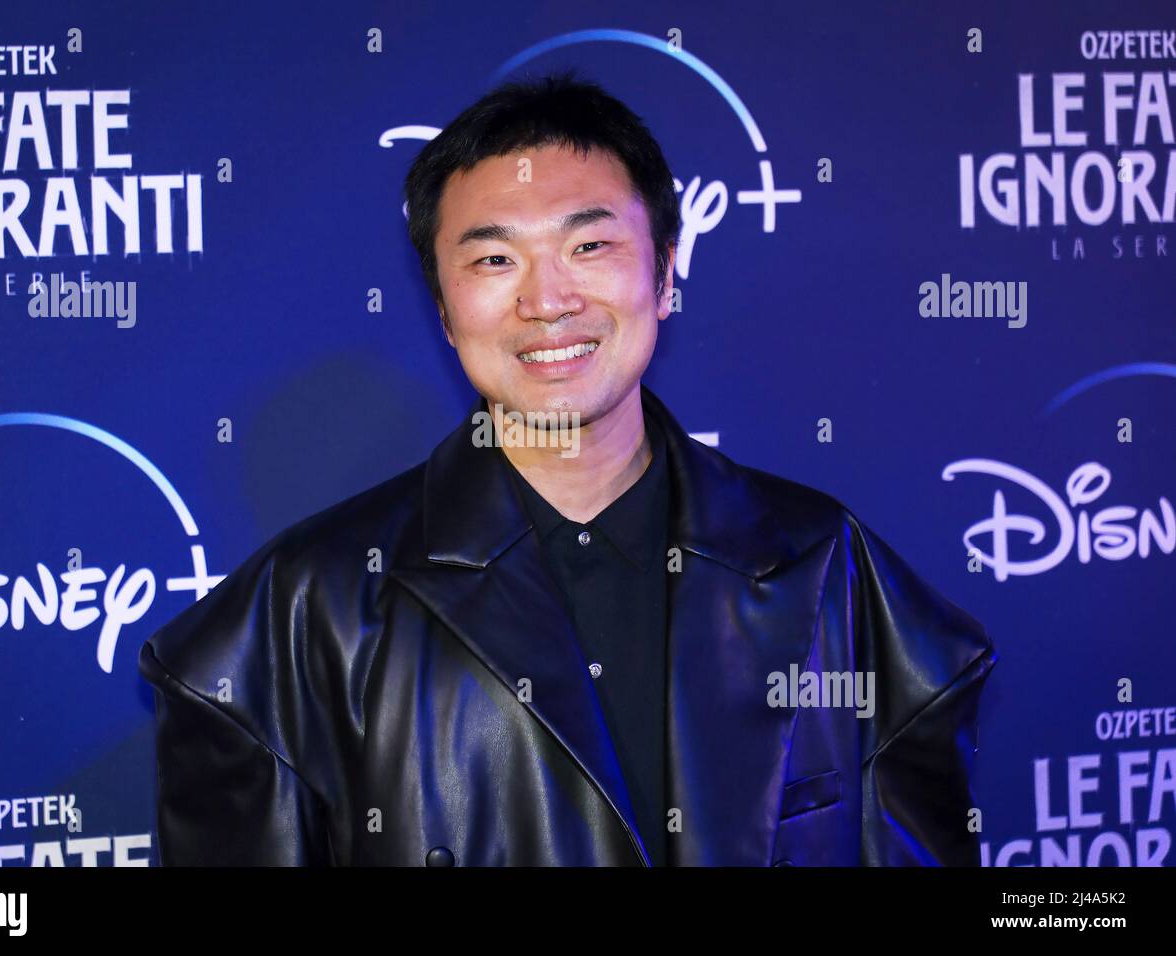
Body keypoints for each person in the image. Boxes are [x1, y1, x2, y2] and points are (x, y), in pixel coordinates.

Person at [139, 70, 996, 866]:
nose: (547, 301)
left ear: (664, 274)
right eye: (494, 260)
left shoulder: (827, 567)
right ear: (443, 310)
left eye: (589, 248)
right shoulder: (300, 616)